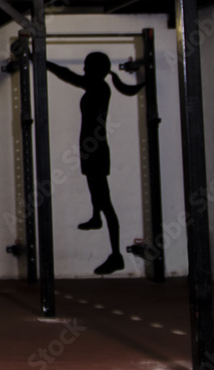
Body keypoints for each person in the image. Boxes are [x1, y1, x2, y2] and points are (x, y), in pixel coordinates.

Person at [48, 52, 143, 275]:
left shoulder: (99, 87)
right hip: (91, 149)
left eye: (86, 66)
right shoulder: (98, 86)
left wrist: (43, 60)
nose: (83, 69)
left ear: (95, 70)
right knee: (96, 192)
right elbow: (72, 76)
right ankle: (95, 216)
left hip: (96, 151)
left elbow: (67, 75)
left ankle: (116, 255)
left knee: (105, 201)